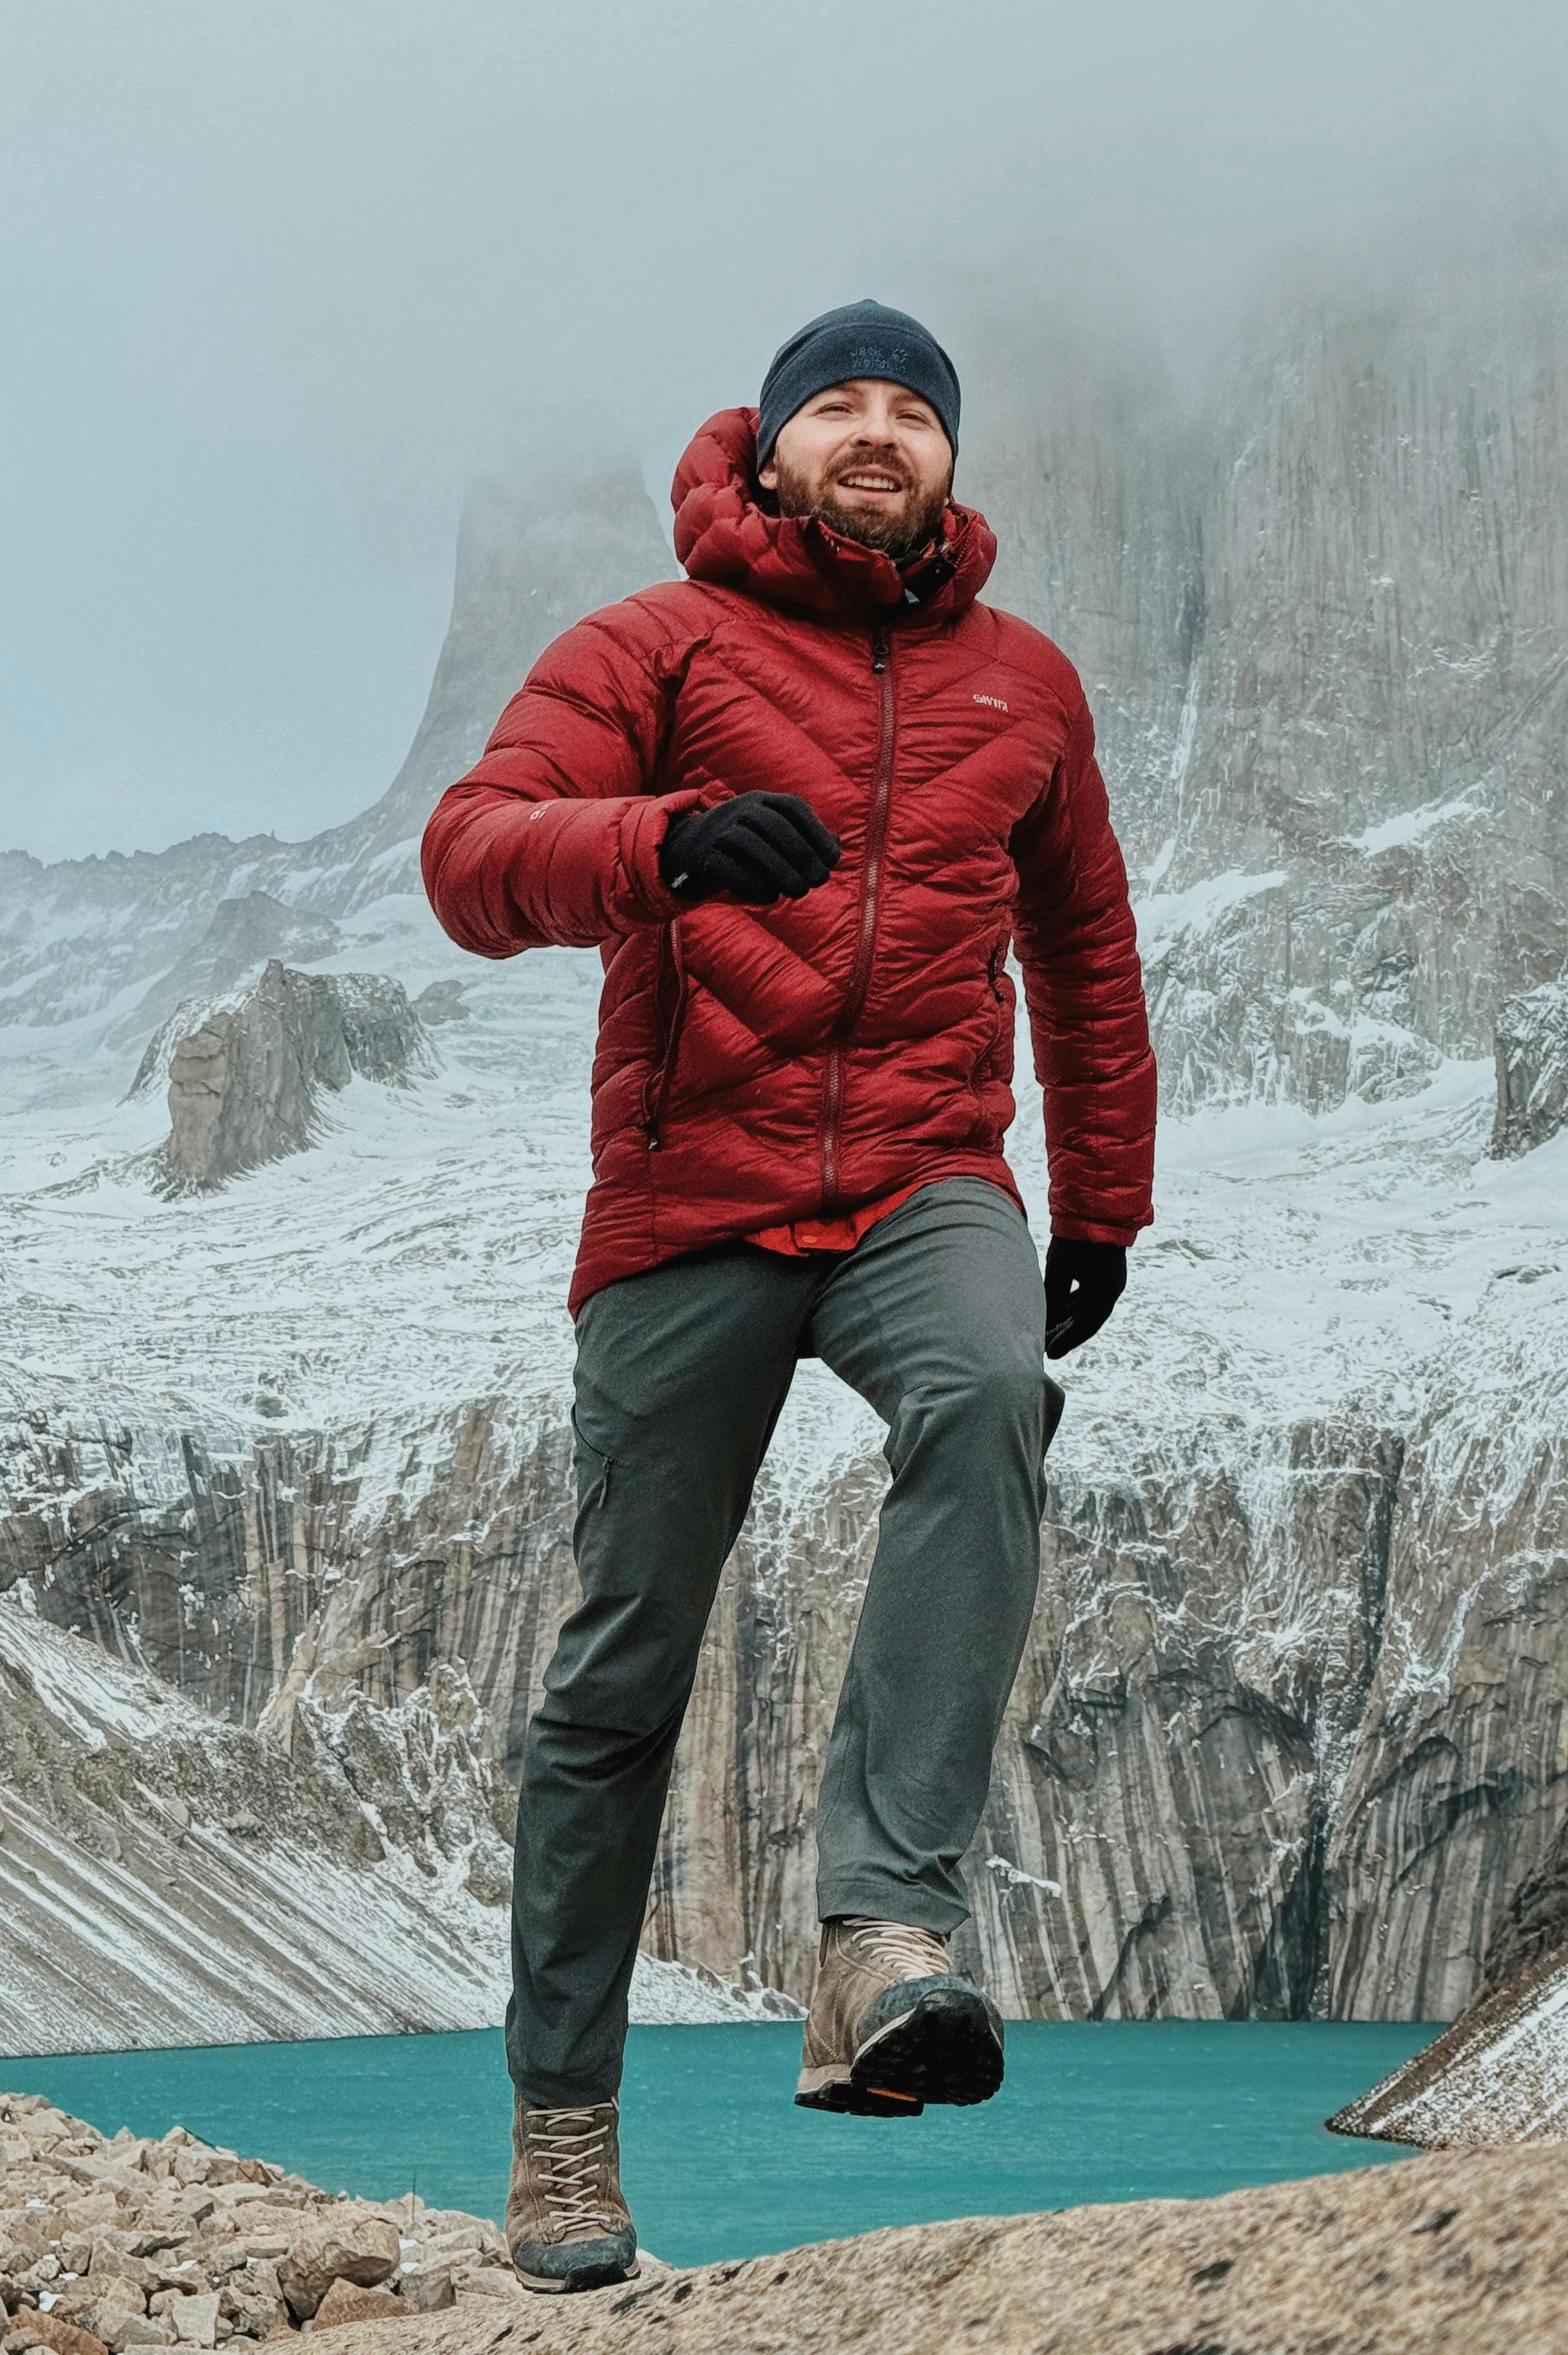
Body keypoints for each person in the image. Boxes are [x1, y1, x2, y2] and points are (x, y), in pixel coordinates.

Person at [422, 299, 1157, 2290]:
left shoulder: (1028, 689)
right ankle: (564, 2127)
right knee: (618, 1674)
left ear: (949, 464)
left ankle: (880, 1938)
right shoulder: (651, 648)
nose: (875, 429)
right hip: (690, 1201)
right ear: (764, 447)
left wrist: (1103, 1201)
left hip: (928, 1176)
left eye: (910, 409)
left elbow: (1086, 953)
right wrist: (657, 845)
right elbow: (472, 855)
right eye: (836, 398)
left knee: (991, 1397)